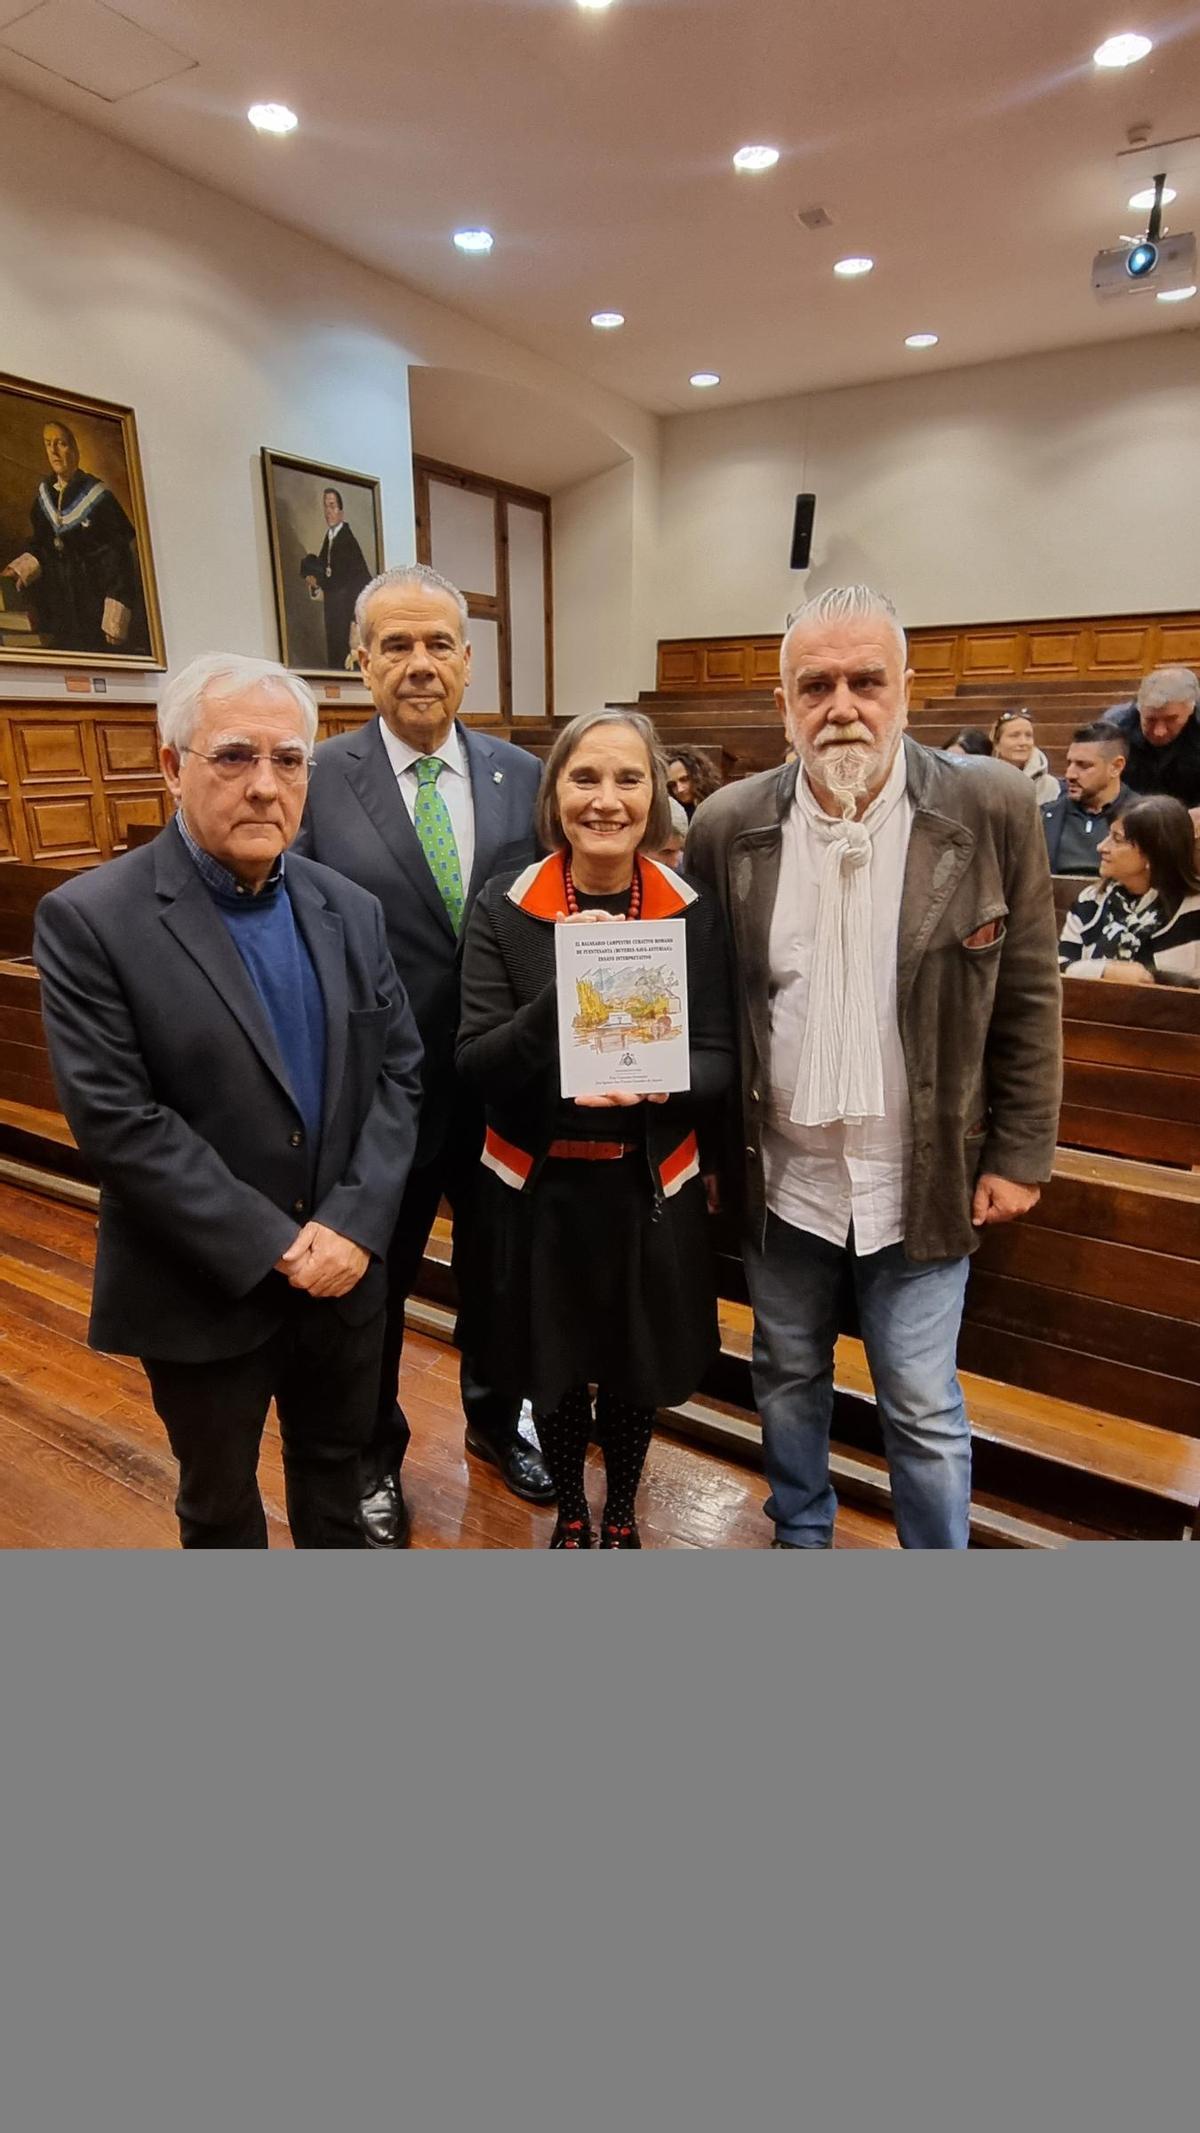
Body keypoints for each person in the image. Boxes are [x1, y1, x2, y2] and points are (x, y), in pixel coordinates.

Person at [687, 585, 1062, 1550]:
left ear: (907, 690)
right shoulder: (728, 825)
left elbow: (1026, 991)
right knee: (786, 1370)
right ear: (782, 705)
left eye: (866, 680)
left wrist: (1020, 1150)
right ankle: (802, 1533)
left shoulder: (990, 805)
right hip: (788, 1174)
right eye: (815, 684)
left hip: (922, 1168)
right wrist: (712, 1148)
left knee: (923, 1403)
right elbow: (713, 1009)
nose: (841, 705)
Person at [33, 653, 423, 1548]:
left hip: (344, 1279)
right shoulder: (91, 918)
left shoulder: (349, 908)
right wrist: (279, 1244)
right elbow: (119, 1121)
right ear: (173, 765)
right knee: (218, 1508)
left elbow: (400, 1071)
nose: (264, 785)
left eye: (288, 761)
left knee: (337, 1489)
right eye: (234, 757)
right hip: (204, 1287)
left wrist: (355, 1225)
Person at [295, 561, 552, 1544]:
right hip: (377, 1099)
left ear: (469, 662)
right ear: (360, 665)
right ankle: (374, 1458)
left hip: (500, 1087)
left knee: (501, 1271)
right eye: (394, 645)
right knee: (378, 1287)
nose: (418, 663)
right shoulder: (316, 780)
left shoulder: (522, 778)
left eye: (437, 643)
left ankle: (496, 1420)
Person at [455, 710, 734, 1547]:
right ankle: (573, 1508)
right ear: (555, 794)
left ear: (657, 796)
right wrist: (557, 1002)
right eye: (585, 778)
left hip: (646, 1187)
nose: (606, 800)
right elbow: (475, 1062)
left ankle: (620, 1513)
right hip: (540, 1191)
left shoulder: (694, 911)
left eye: (628, 779)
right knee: (557, 1363)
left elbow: (721, 1058)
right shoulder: (505, 908)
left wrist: (659, 1088)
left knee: (632, 1367)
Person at [2, 419, 146, 655]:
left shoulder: (99, 498)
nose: (54, 451)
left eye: (61, 444)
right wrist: (21, 568)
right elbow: (42, 544)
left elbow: (118, 560)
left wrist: (115, 617)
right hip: (57, 599)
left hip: (93, 599)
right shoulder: (45, 494)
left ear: (75, 450)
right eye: (48, 444)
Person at [1058, 794, 1200, 985]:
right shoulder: (1091, 901)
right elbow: (1060, 968)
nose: (1101, 847)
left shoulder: (1194, 910)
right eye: (1108, 835)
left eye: (1117, 839)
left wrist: (1151, 978)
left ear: (1153, 853)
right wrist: (1105, 970)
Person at [1101, 666, 1200, 824]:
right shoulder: (1115, 727)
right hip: (1130, 819)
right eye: (1150, 720)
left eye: (1171, 719)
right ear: (1139, 708)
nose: (1159, 732)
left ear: (1190, 709)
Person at [1041, 722, 1132, 874]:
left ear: (1116, 767)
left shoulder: (1143, 818)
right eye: (1069, 763)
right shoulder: (1044, 815)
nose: (1070, 774)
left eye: (1083, 765)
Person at [299, 488, 371, 670]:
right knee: (335, 656)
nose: (328, 511)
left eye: (332, 506)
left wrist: (321, 582)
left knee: (344, 657)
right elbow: (325, 569)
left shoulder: (347, 540)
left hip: (345, 610)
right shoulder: (330, 537)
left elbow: (348, 579)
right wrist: (315, 581)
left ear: (341, 511)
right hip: (334, 609)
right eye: (326, 506)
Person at [990, 709, 1059, 803]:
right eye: (1014, 736)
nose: (1023, 742)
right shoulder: (984, 781)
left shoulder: (1048, 785)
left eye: (1028, 736)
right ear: (997, 744)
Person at [666, 746, 721, 818]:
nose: (679, 789)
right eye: (672, 785)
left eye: (684, 779)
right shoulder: (671, 814)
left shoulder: (718, 806)